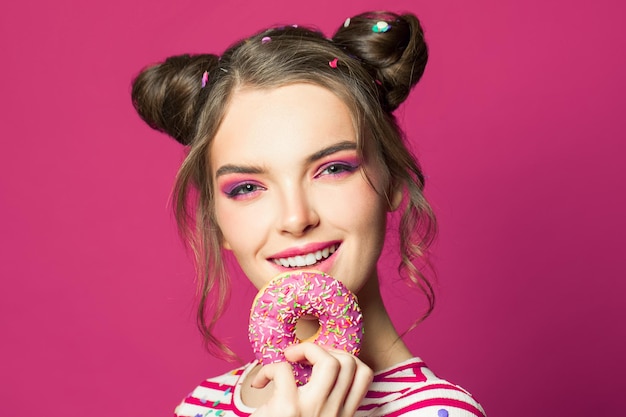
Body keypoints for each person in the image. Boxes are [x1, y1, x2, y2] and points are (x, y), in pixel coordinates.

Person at [131, 10, 486, 417]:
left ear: (391, 179)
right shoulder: (200, 405)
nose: (296, 218)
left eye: (333, 168)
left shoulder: (439, 412)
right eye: (247, 187)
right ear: (217, 221)